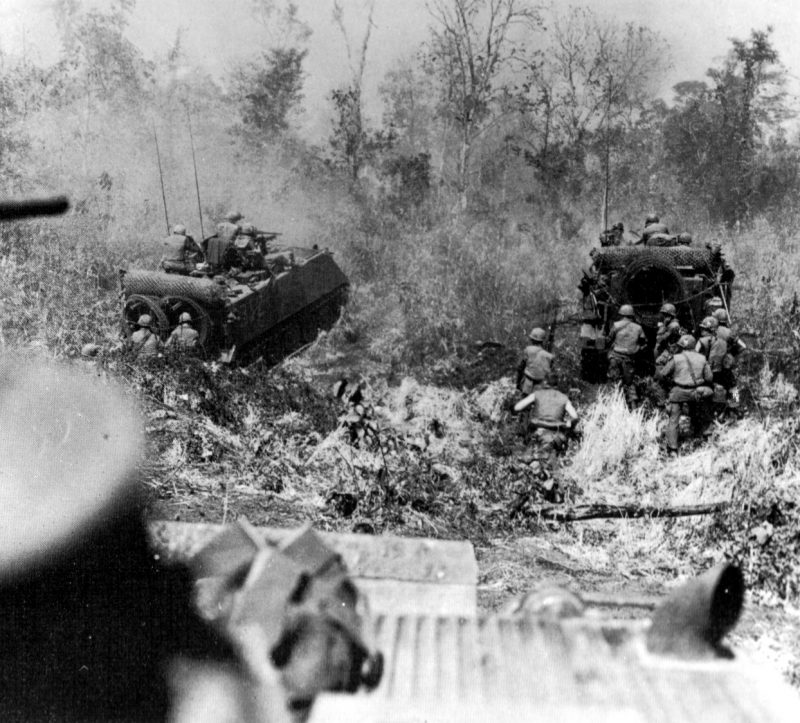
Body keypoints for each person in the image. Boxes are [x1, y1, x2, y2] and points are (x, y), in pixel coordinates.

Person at [657, 334, 713, 455]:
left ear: (681, 346)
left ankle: (673, 449)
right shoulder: (702, 358)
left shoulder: (676, 358)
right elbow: (709, 378)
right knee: (701, 414)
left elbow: (662, 375)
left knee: (673, 420)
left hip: (678, 392)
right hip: (696, 392)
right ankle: (706, 439)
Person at [514, 374, 579, 465]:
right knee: (548, 462)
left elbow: (517, 407)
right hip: (555, 436)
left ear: (544, 383)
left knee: (527, 461)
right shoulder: (564, 398)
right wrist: (569, 423)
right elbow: (575, 416)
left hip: (536, 432)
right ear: (556, 385)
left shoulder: (537, 394)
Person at [607, 304, 646, 406]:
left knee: (614, 381)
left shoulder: (616, 325)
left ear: (621, 314)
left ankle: (614, 404)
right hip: (629, 358)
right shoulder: (638, 328)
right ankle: (633, 408)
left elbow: (609, 340)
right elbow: (644, 343)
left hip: (615, 357)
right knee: (630, 383)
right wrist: (637, 349)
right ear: (632, 315)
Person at [516, 327, 553, 395]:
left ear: (532, 339)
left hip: (527, 386)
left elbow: (520, 368)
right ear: (542, 341)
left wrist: (518, 383)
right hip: (541, 388)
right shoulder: (549, 356)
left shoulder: (527, 350)